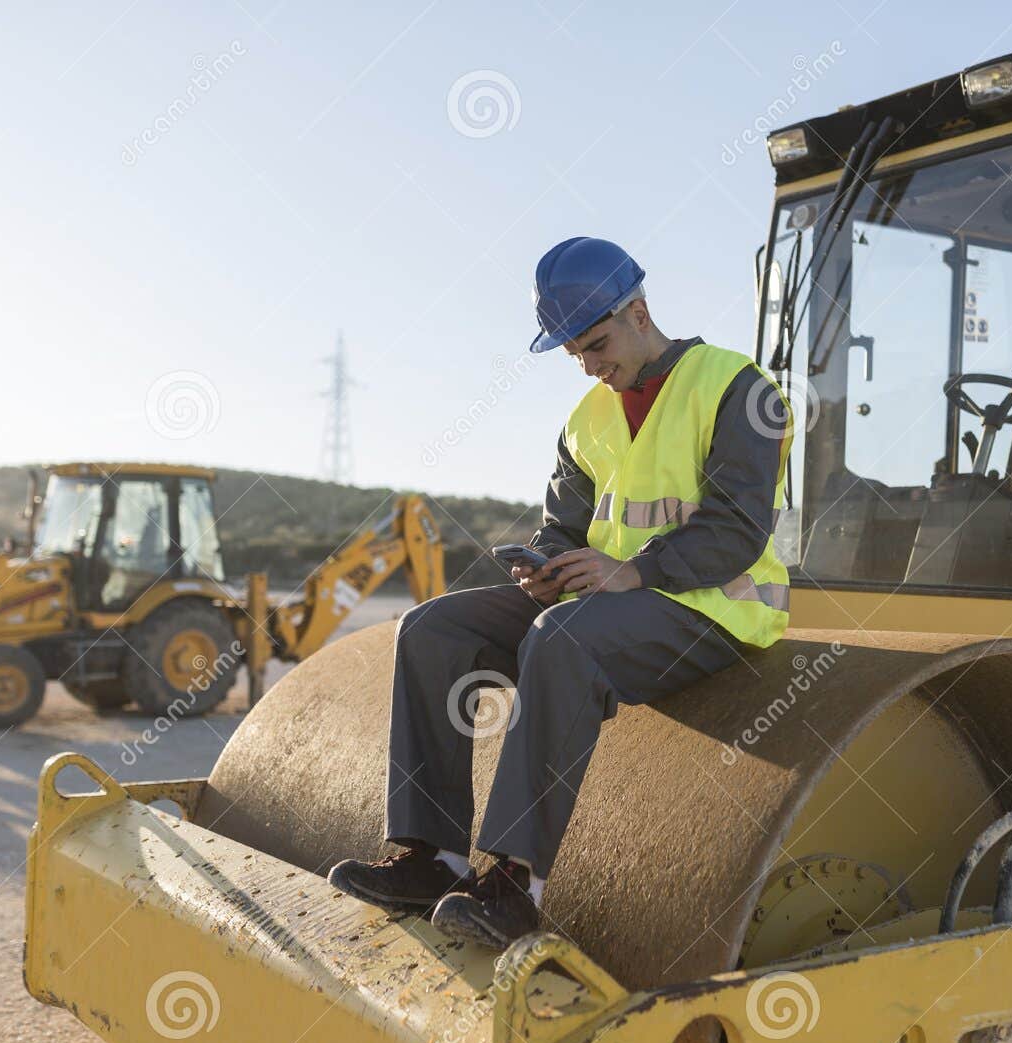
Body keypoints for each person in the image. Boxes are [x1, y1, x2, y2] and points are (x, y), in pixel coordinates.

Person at [328, 236, 792, 948]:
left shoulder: (738, 388)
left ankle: (516, 885)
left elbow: (737, 530)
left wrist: (628, 572)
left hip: (715, 610)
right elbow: (562, 527)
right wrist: (543, 567)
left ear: (639, 311)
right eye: (574, 351)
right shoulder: (587, 418)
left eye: (596, 343)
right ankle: (435, 856)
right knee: (431, 629)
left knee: (562, 638)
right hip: (610, 604)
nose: (588, 363)